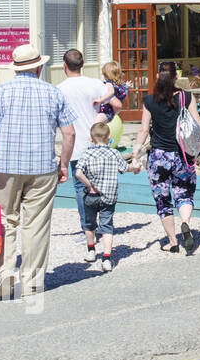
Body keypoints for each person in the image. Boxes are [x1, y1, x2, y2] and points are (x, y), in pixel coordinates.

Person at [0, 43, 75, 299]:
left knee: (5, 221)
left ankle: (5, 277)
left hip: (5, 168)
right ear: (39, 66)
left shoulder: (0, 92)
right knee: (36, 225)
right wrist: (63, 164)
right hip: (42, 168)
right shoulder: (53, 93)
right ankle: (31, 283)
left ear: (16, 69)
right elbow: (69, 132)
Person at [132, 60, 200, 254]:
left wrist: (135, 154)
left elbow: (143, 130)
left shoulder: (149, 100)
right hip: (182, 155)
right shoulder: (186, 97)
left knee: (163, 199)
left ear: (158, 76)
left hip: (158, 156)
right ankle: (185, 223)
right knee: (183, 193)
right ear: (176, 77)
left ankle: (172, 241)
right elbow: (198, 125)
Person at [55, 49, 109, 256]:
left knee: (81, 188)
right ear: (83, 63)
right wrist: (102, 117)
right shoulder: (96, 84)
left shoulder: (59, 89)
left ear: (64, 64)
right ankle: (104, 225)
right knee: (101, 184)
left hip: (76, 145)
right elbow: (116, 105)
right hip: (97, 141)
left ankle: (88, 229)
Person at [75, 122, 139, 271]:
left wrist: (89, 185)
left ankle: (91, 251)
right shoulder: (114, 153)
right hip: (109, 196)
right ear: (109, 137)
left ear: (91, 139)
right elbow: (126, 168)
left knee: (89, 224)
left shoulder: (87, 153)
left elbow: (78, 173)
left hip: (90, 196)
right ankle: (106, 259)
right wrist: (135, 167)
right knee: (107, 225)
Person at [93, 60, 129, 146]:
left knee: (95, 125)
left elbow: (111, 92)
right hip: (110, 112)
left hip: (105, 111)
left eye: (104, 74)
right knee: (102, 127)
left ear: (107, 74)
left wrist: (101, 100)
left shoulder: (109, 84)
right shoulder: (120, 85)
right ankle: (106, 140)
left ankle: (102, 142)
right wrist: (127, 86)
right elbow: (122, 91)